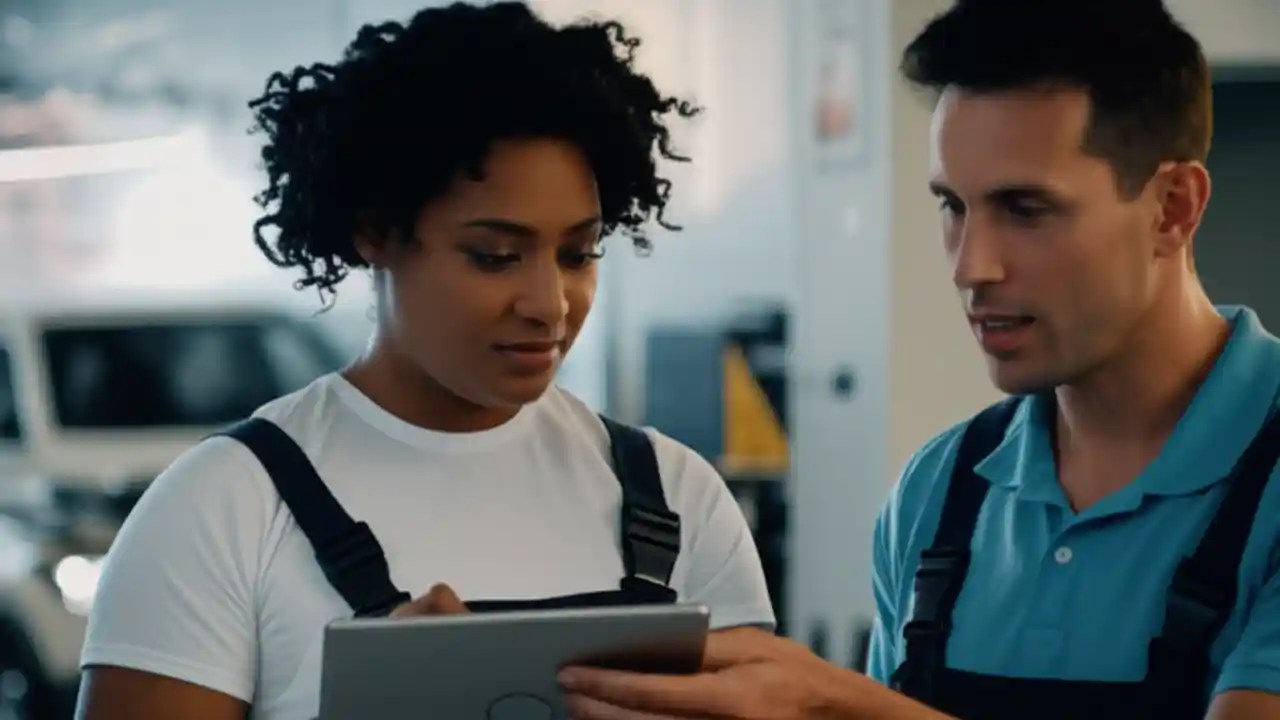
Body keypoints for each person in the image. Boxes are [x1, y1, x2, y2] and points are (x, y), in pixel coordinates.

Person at [557, 1, 1280, 718]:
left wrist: (837, 703)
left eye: (1024, 210)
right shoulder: (938, 495)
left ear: (1172, 207)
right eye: (952, 207)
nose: (972, 266)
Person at [73, 3, 776, 718]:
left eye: (577, 254)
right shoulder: (222, 508)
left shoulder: (677, 499)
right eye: (494, 256)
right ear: (374, 233)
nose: (550, 304)